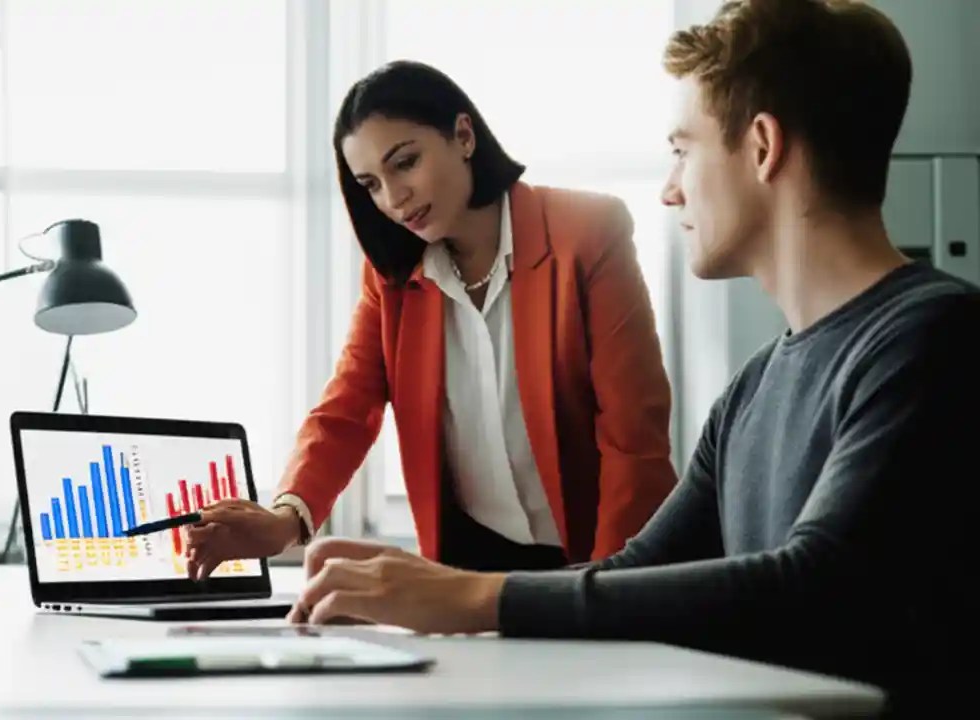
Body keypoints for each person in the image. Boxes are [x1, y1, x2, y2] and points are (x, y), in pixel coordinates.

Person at [282, 0, 977, 712]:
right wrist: (422, 594)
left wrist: (465, 594)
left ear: (763, 147)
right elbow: (634, 573)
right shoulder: (754, 387)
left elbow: (811, 584)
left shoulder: (933, 336)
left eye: (683, 149)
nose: (671, 187)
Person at [185, 60, 677, 579]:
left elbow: (633, 438)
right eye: (370, 184)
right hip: (471, 567)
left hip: (598, 557)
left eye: (405, 162)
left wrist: (605, 592)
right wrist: (286, 518)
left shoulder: (587, 233)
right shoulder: (393, 282)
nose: (394, 200)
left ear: (463, 136)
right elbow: (348, 410)